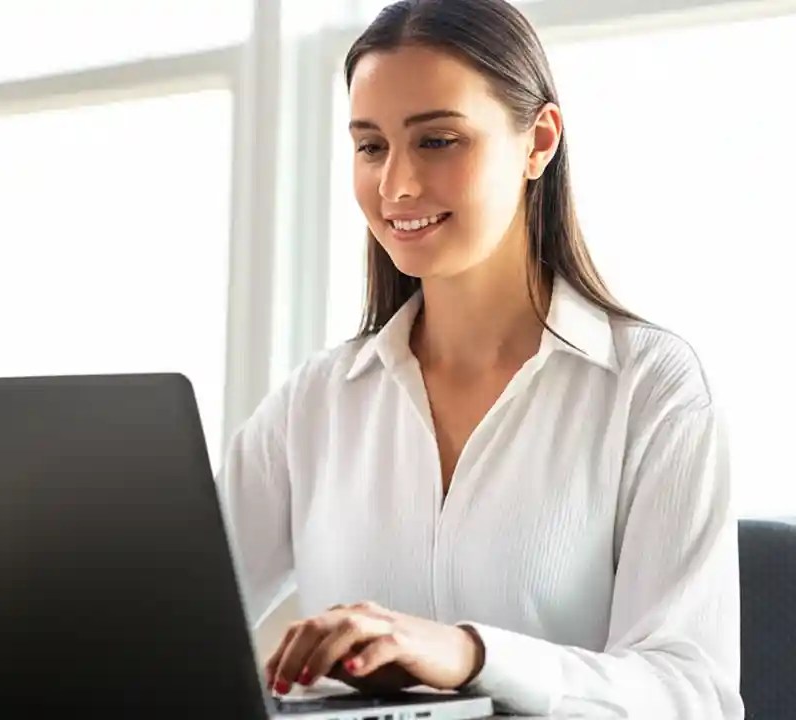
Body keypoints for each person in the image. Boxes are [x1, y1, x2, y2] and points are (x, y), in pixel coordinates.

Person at [215, 0, 743, 716]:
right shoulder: (315, 402)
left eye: (437, 141)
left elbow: (693, 696)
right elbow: (162, 619)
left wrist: (470, 655)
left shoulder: (650, 389)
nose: (396, 185)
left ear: (539, 141)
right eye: (371, 146)